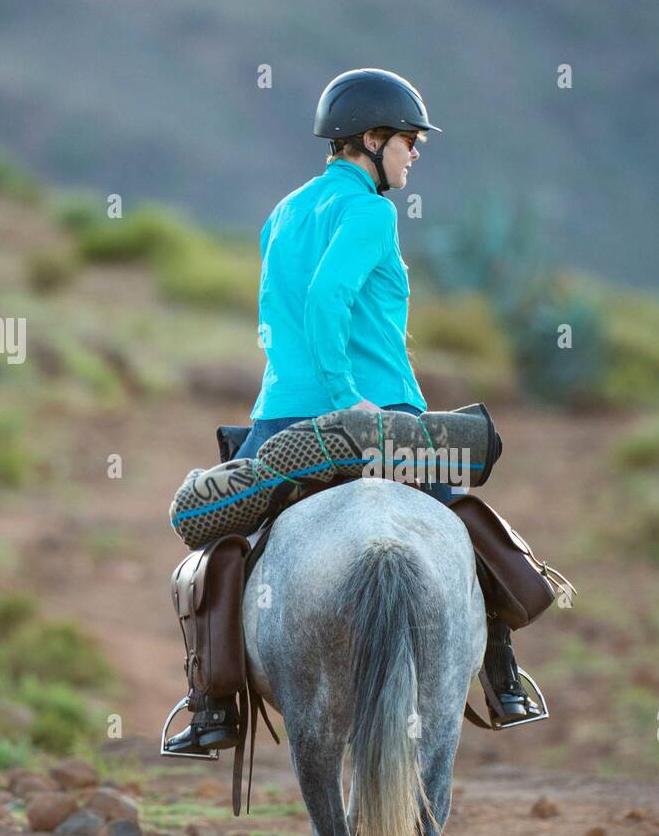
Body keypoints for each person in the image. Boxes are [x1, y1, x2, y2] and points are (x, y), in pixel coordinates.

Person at [165, 68, 543, 756]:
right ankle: (504, 677)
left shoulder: (282, 212)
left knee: (230, 546)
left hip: (277, 417)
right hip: (375, 414)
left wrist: (308, 393)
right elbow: (324, 299)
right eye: (407, 140)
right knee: (458, 517)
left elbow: (277, 315)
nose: (414, 153)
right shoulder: (371, 211)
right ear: (370, 140)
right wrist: (348, 401)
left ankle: (210, 703)